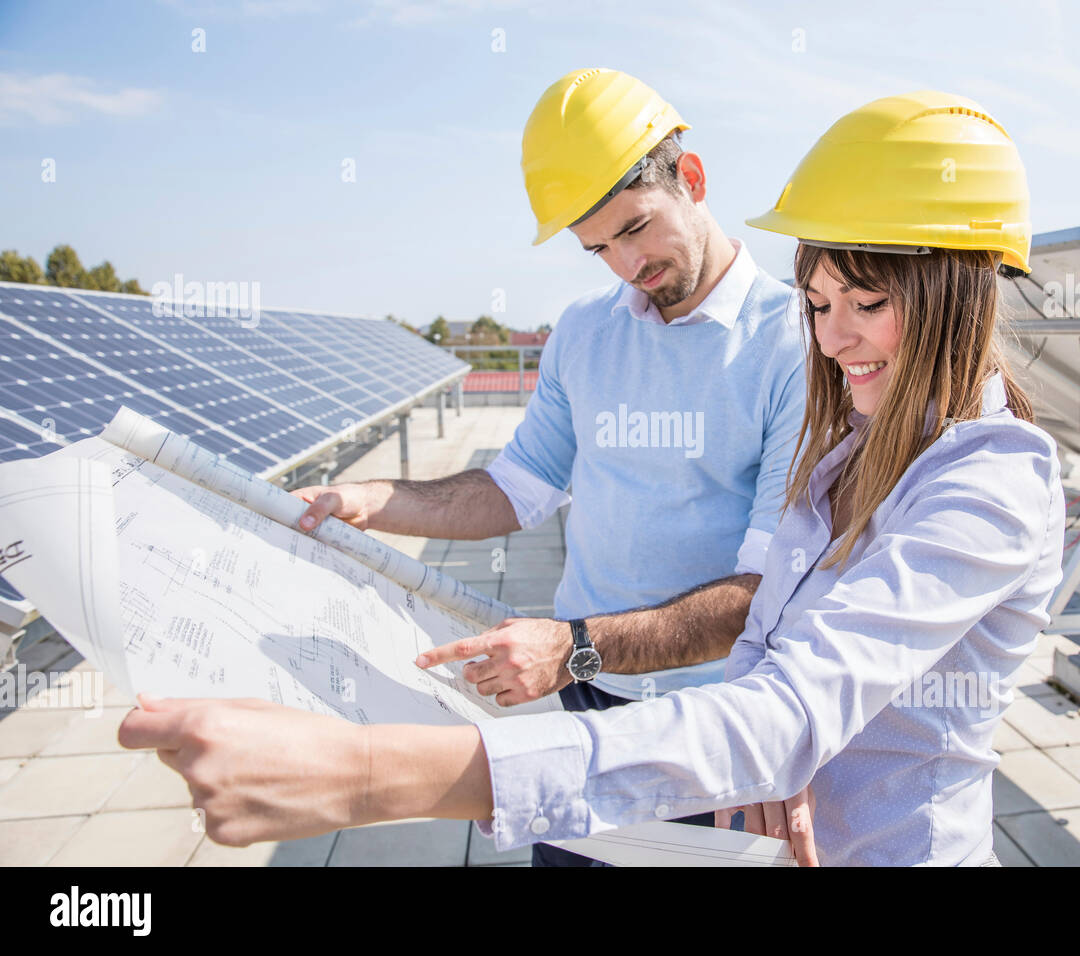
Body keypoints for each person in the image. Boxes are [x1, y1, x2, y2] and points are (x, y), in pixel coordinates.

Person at [120, 90, 1066, 866]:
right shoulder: (857, 435)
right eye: (821, 301)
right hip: (683, 759)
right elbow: (770, 628)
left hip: (738, 763)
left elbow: (764, 644)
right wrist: (370, 503)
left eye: (865, 302)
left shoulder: (967, 465)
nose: (833, 334)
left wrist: (368, 774)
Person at [287, 67, 807, 865]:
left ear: (691, 180)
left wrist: (571, 646)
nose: (625, 265)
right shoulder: (585, 331)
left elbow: (757, 598)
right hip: (580, 709)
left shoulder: (794, 346)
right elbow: (514, 486)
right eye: (598, 247)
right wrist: (370, 497)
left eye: (636, 228)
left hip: (706, 732)